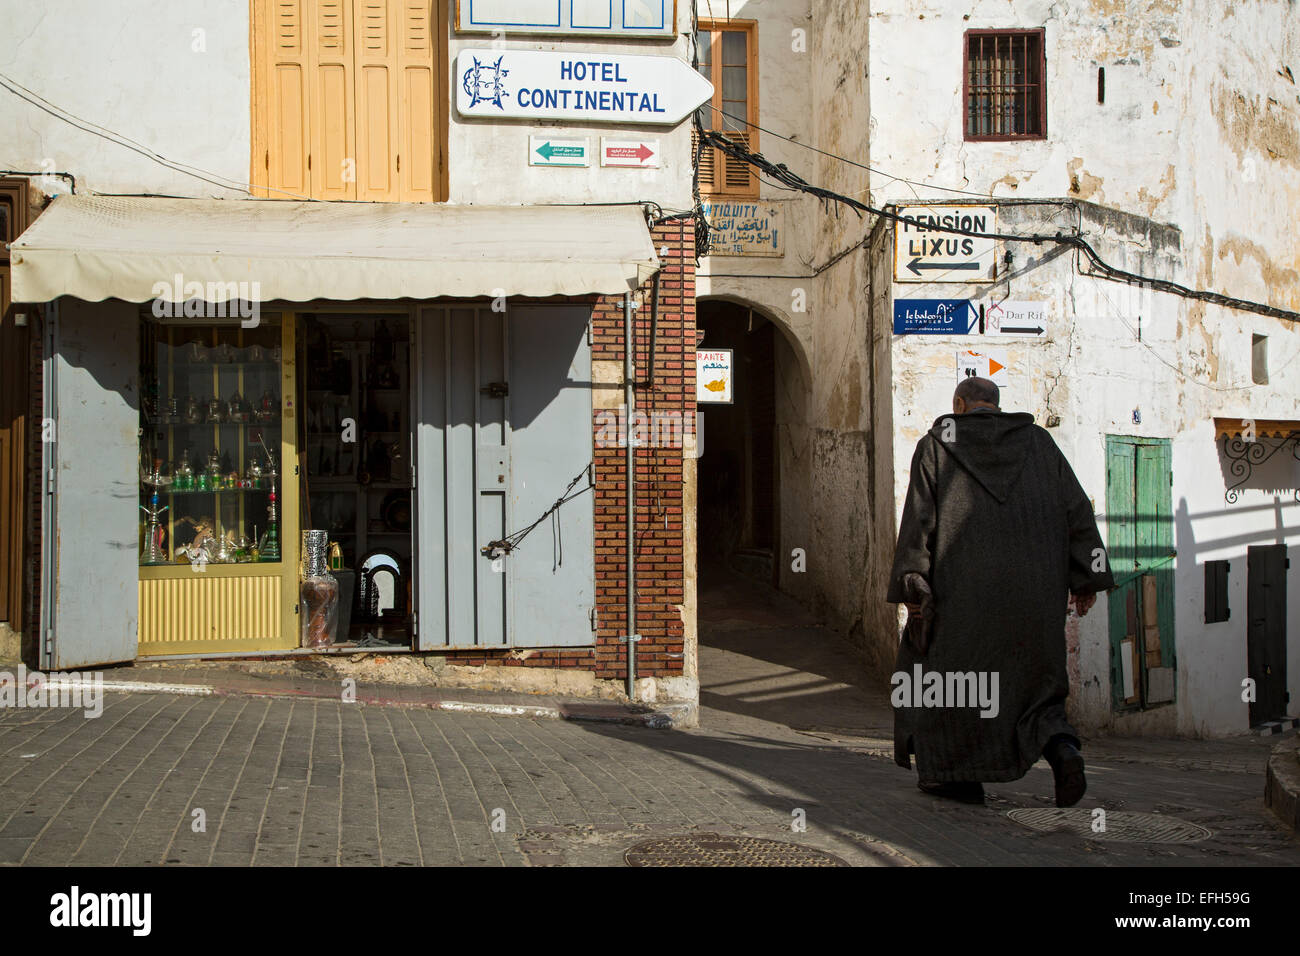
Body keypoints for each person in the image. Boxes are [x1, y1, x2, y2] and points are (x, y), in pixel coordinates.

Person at [887, 376, 1114, 806]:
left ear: (959, 403)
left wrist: (913, 586)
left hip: (962, 602)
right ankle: (1062, 750)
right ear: (996, 404)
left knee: (950, 683)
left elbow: (920, 523)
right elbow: (1077, 510)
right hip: (1035, 600)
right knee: (1036, 687)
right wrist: (1086, 578)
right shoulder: (1039, 444)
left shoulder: (936, 445)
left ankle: (955, 776)